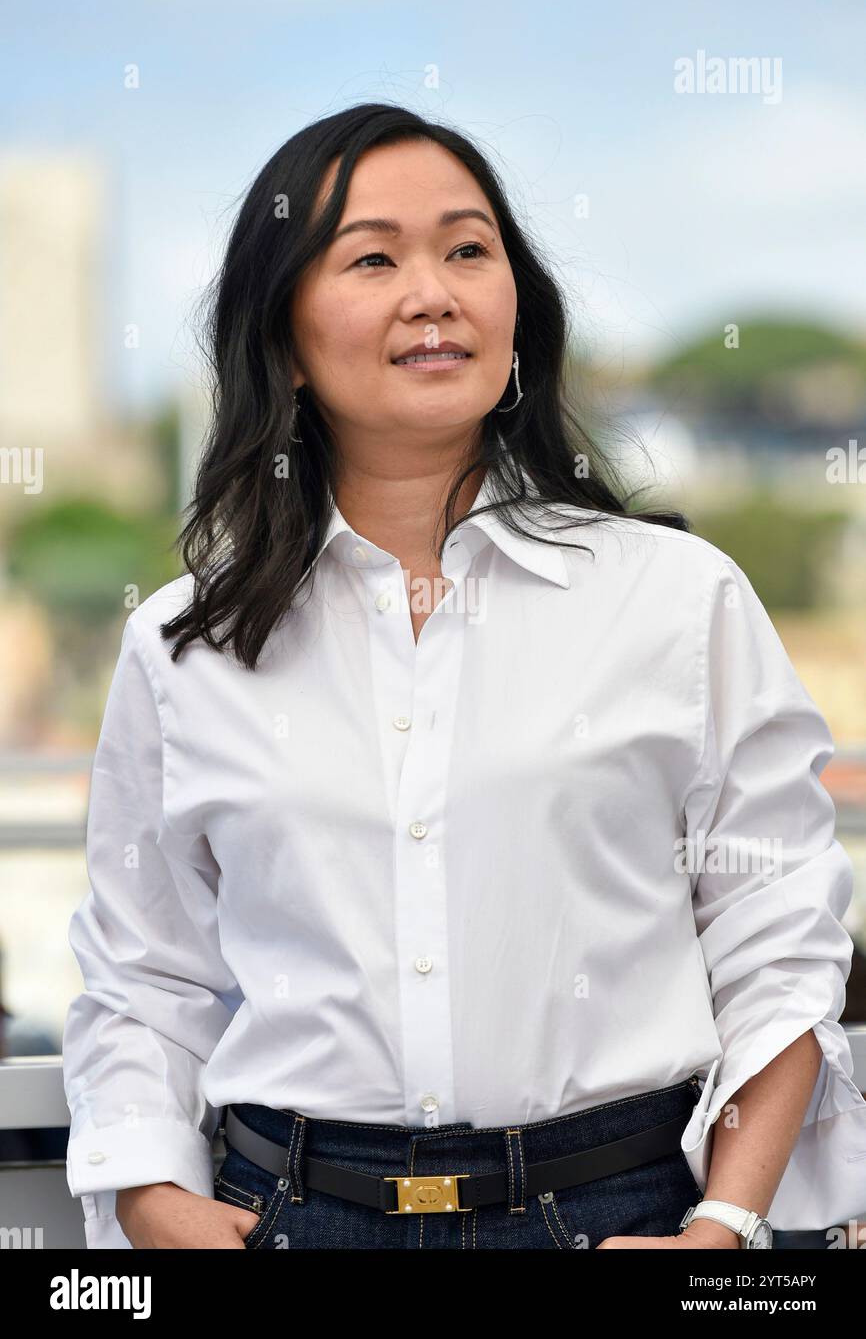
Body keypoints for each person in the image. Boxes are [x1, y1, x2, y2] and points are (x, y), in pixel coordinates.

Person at [62, 103, 866, 1251]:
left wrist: (720, 1227)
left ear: (515, 315)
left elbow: (776, 935)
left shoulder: (676, 600)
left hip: (618, 1216)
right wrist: (150, 1201)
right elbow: (143, 971)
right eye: (373, 256)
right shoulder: (185, 642)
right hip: (284, 1217)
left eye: (468, 249)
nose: (431, 291)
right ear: (283, 338)